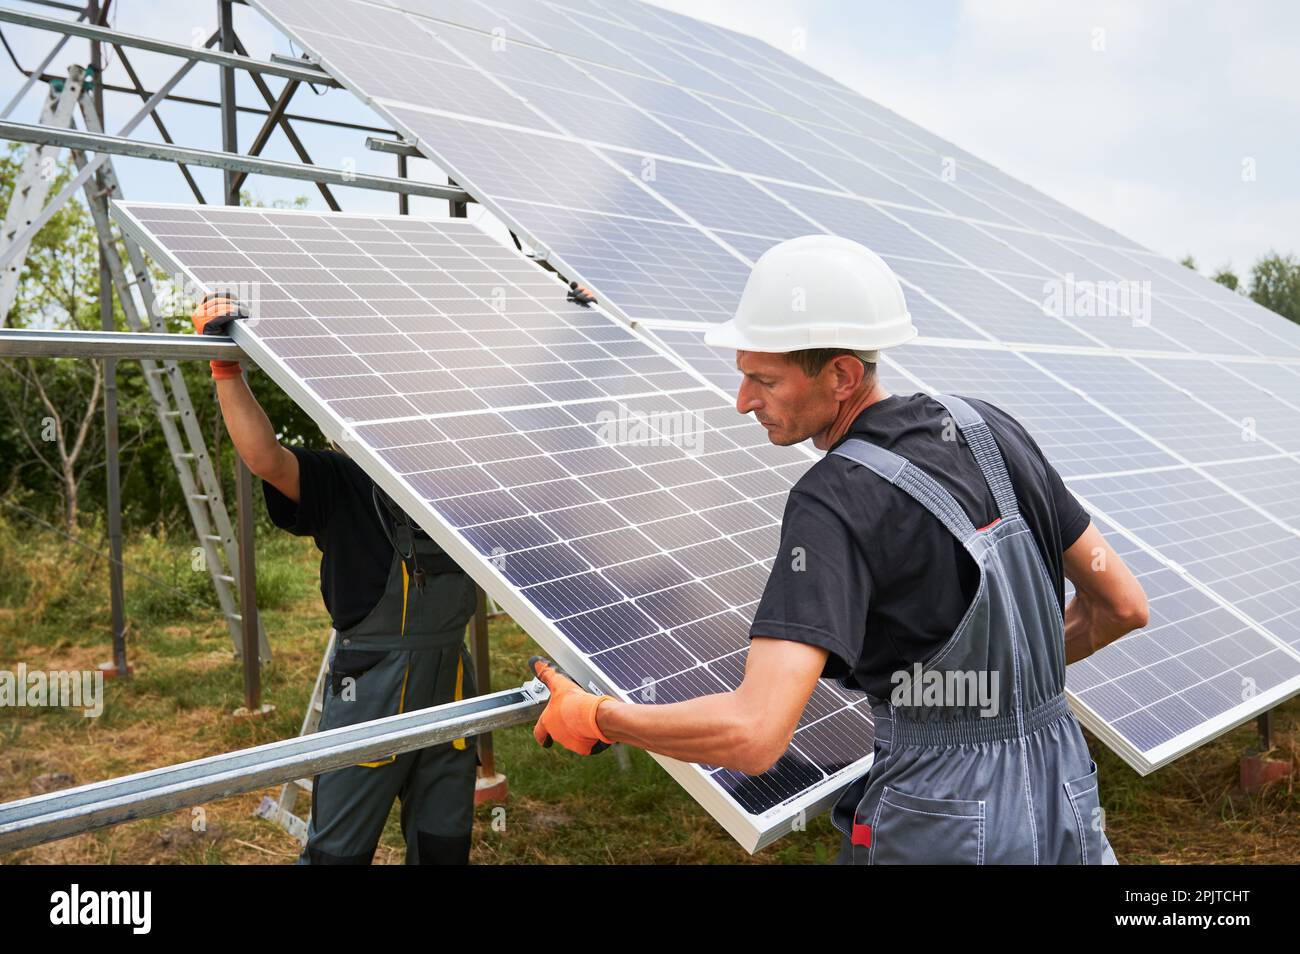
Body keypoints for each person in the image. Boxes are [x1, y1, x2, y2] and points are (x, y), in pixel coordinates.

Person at [528, 235, 1149, 864]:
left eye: (763, 379)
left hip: (944, 823)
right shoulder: (990, 427)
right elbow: (1121, 607)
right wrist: (998, 696)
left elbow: (754, 733)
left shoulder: (833, 499)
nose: (742, 401)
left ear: (843, 375)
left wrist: (598, 716)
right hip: (1066, 792)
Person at [191, 293, 479, 865]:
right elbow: (265, 458)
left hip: (450, 680)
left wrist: (593, 330)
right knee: (339, 853)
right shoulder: (341, 478)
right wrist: (226, 369)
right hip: (369, 686)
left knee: (445, 844)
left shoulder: (457, 475)